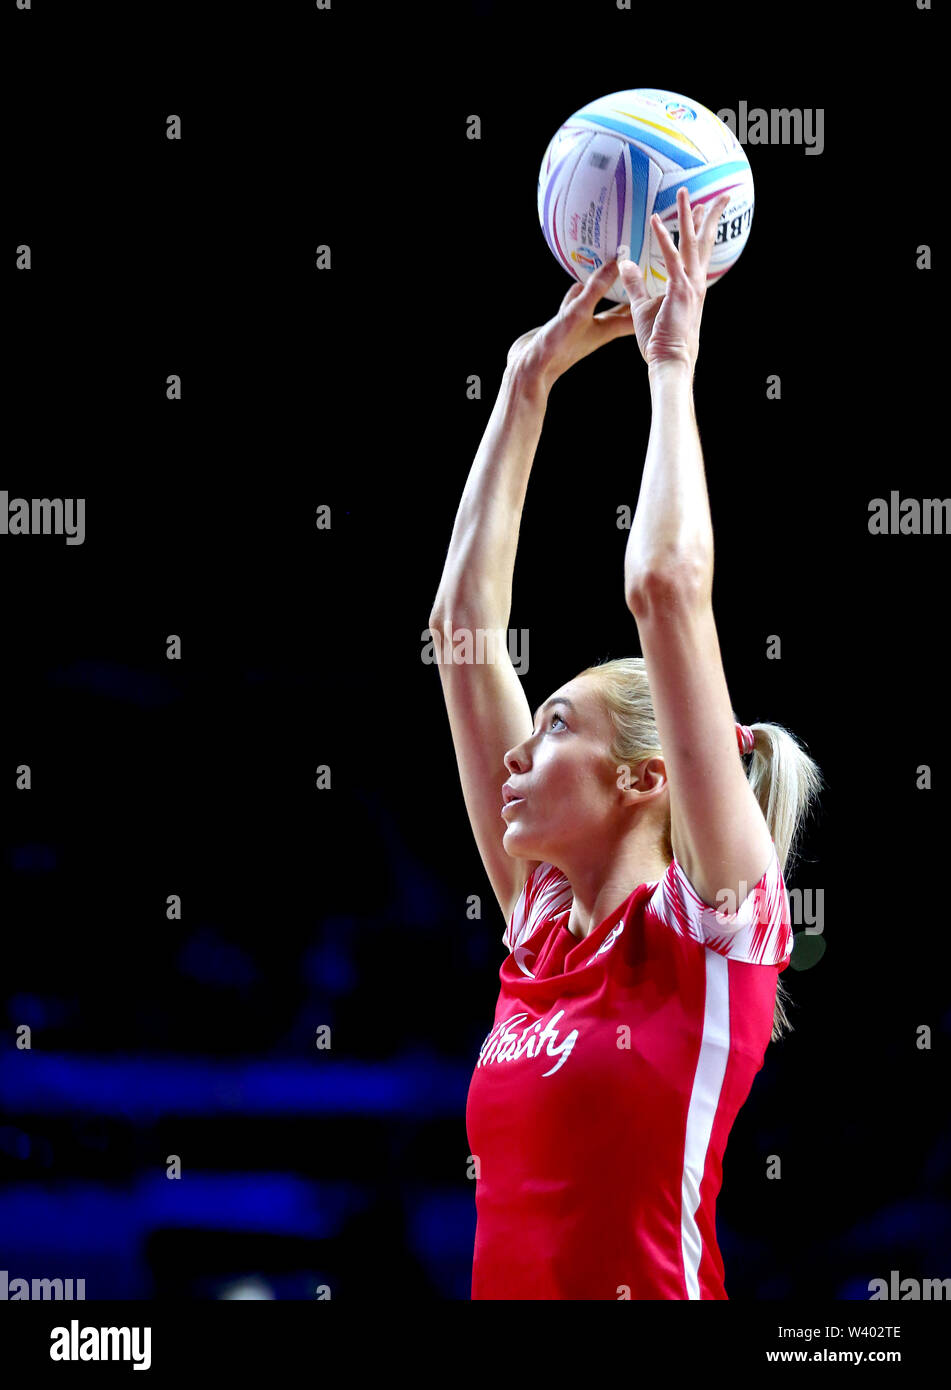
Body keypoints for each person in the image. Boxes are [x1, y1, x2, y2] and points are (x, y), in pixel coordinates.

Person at [428, 188, 823, 1300]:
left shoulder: (714, 931)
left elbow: (664, 587)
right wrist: (525, 382)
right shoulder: (542, 925)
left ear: (650, 777)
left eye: (554, 723)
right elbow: (461, 634)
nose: (516, 750)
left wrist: (669, 367)